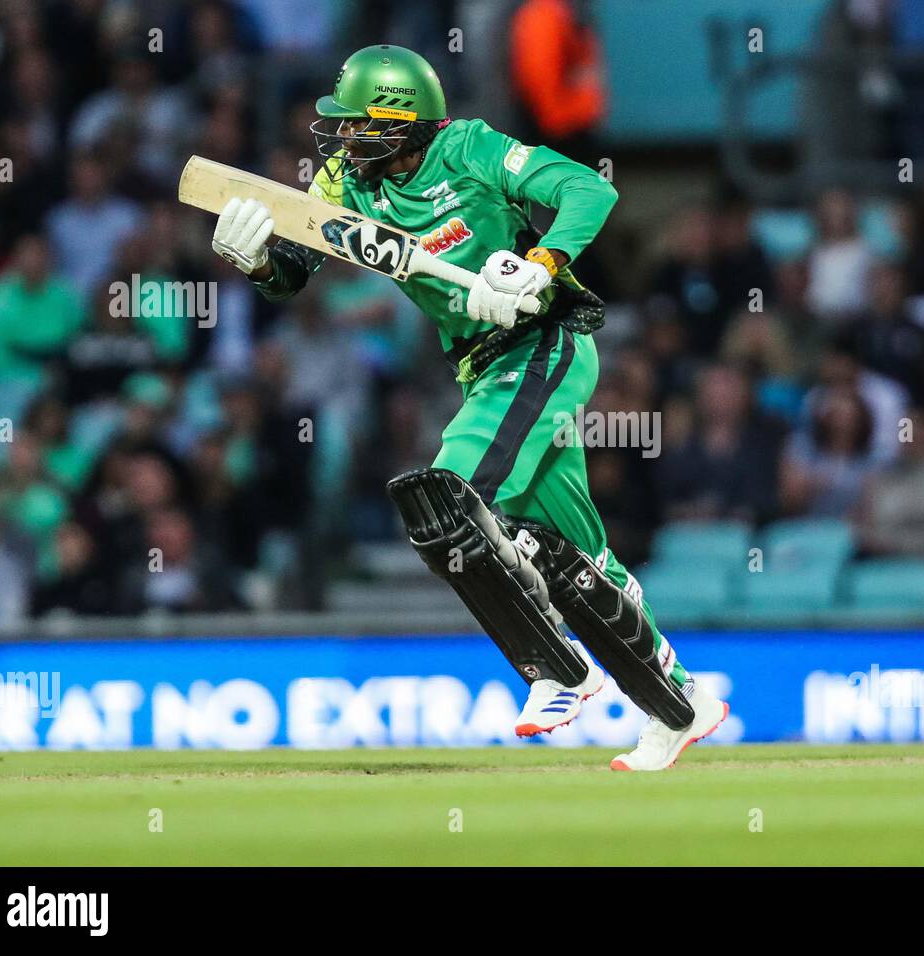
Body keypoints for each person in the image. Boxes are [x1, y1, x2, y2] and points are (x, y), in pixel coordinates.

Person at [208, 45, 726, 770]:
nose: (342, 140)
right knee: (582, 559)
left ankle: (558, 669)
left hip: (541, 344)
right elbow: (295, 271)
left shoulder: (469, 148)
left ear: (401, 121)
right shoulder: (345, 181)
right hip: (482, 370)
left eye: (358, 125)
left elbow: (588, 192)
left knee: (448, 502)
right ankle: (679, 705)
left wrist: (538, 263)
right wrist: (259, 258)